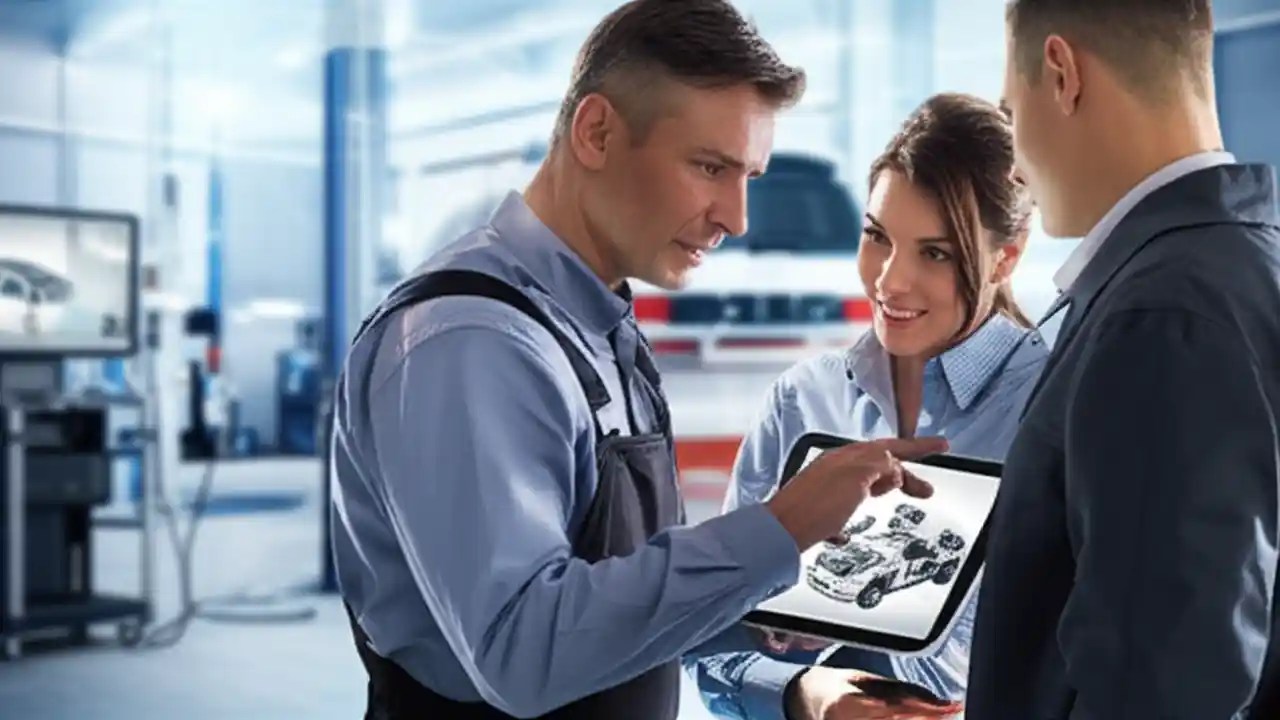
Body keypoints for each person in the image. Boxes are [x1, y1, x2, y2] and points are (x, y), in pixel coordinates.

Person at [327, 2, 950, 719]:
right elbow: (522, 651)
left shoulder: (597, 328)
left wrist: (769, 616)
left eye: (748, 176)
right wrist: (777, 529)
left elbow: (612, 604)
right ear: (596, 132)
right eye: (710, 167)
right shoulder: (471, 341)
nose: (736, 218)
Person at [687, 93, 1048, 720]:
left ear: (1006, 257)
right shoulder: (804, 401)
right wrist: (805, 695)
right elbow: (711, 642)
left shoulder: (1054, 409)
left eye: (935, 253)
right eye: (877, 237)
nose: (889, 281)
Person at [967, 1, 1280, 718]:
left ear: (1062, 73)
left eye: (1011, 115)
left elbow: (1160, 687)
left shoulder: (1164, 314)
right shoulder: (1239, 266)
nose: (1014, 168)